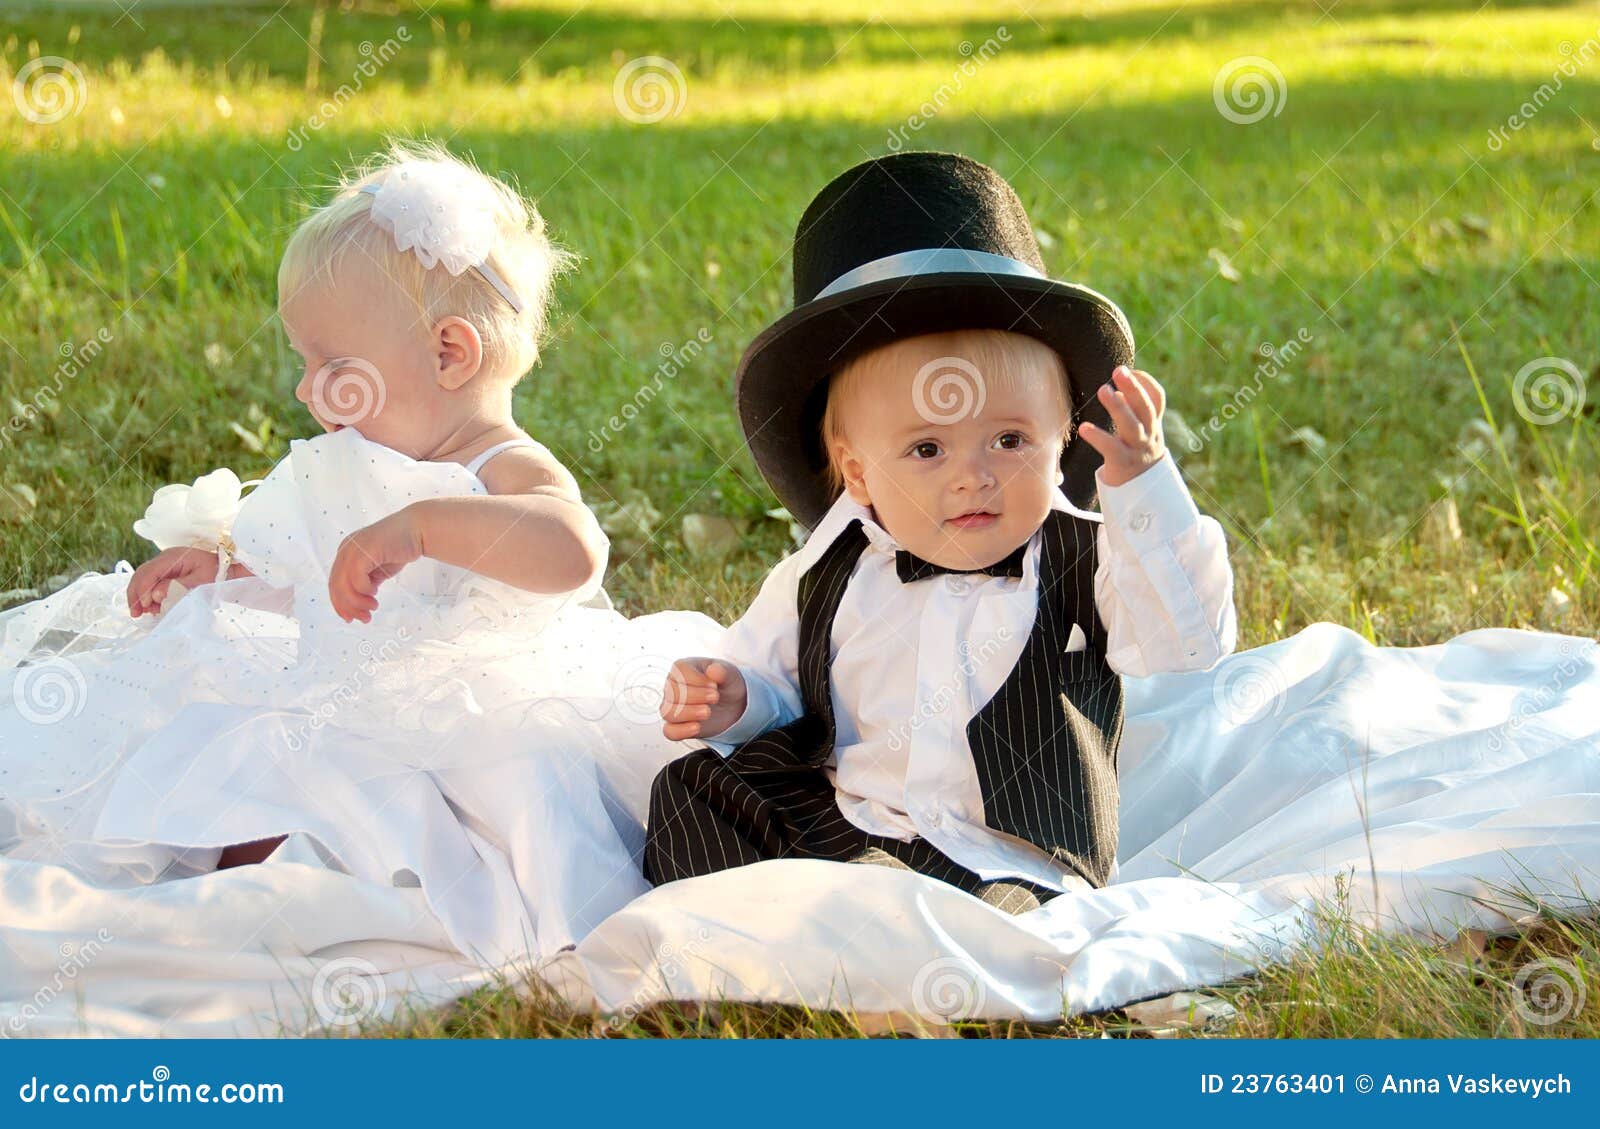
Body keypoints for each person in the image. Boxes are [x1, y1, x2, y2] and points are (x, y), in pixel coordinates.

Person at [0, 138, 723, 961]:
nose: (308, 391)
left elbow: (572, 550)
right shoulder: (353, 462)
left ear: (450, 353)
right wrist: (227, 575)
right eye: (303, 363)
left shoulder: (500, 461)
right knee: (237, 762)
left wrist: (420, 527)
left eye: (332, 365)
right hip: (341, 687)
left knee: (415, 810)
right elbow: (317, 578)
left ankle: (317, 886)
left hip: (471, 711)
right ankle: (247, 874)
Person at [645, 151, 1238, 914]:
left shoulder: (1091, 559)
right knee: (695, 790)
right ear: (858, 475)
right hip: (849, 822)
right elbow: (779, 682)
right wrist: (738, 700)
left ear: (1065, 436)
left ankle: (909, 949)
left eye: (1011, 440)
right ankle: (792, 924)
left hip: (1003, 850)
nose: (973, 476)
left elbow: (1184, 638)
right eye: (927, 449)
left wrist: (1145, 488)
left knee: (1003, 917)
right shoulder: (824, 572)